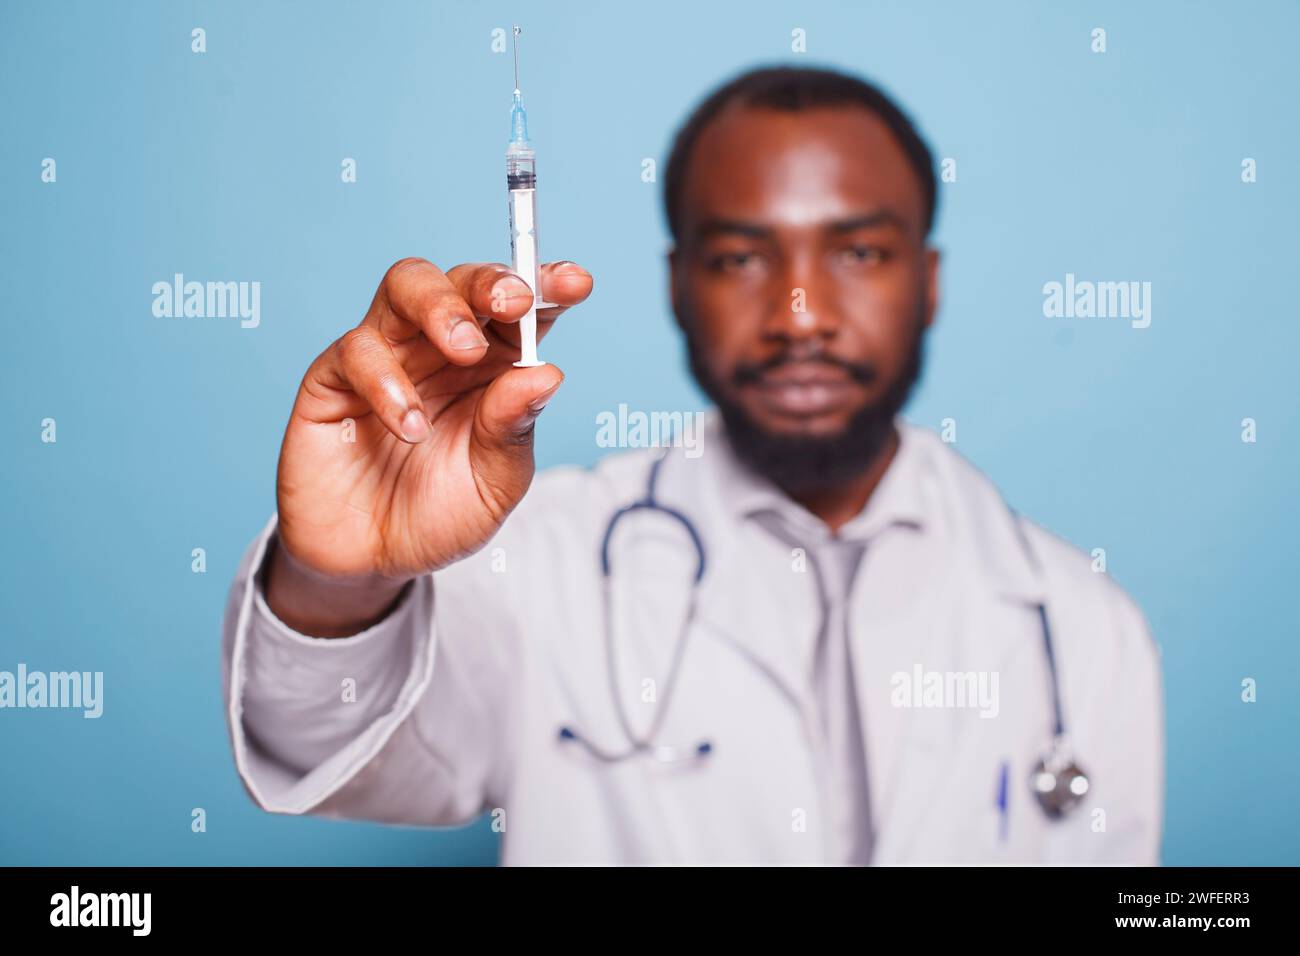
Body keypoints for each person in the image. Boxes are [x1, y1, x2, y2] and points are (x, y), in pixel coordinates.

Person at [221, 65, 1163, 865]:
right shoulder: (540, 561)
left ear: (928, 282)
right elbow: (324, 740)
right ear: (678, 287)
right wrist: (337, 588)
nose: (800, 313)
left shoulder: (1080, 626)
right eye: (741, 258)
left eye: (861, 251)